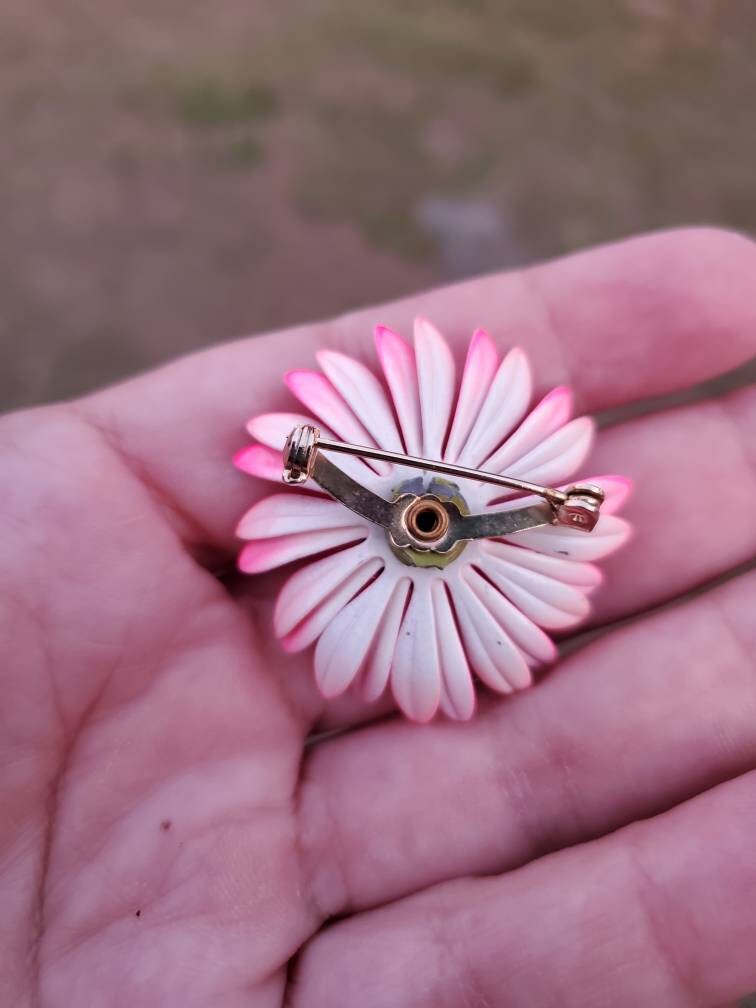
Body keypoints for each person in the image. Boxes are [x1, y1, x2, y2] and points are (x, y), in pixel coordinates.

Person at [1, 228, 755, 1008]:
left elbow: (531, 528)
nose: (426, 524)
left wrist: (548, 512)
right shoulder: (362, 501)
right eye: (424, 523)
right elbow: (310, 464)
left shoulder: (483, 530)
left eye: (431, 524)